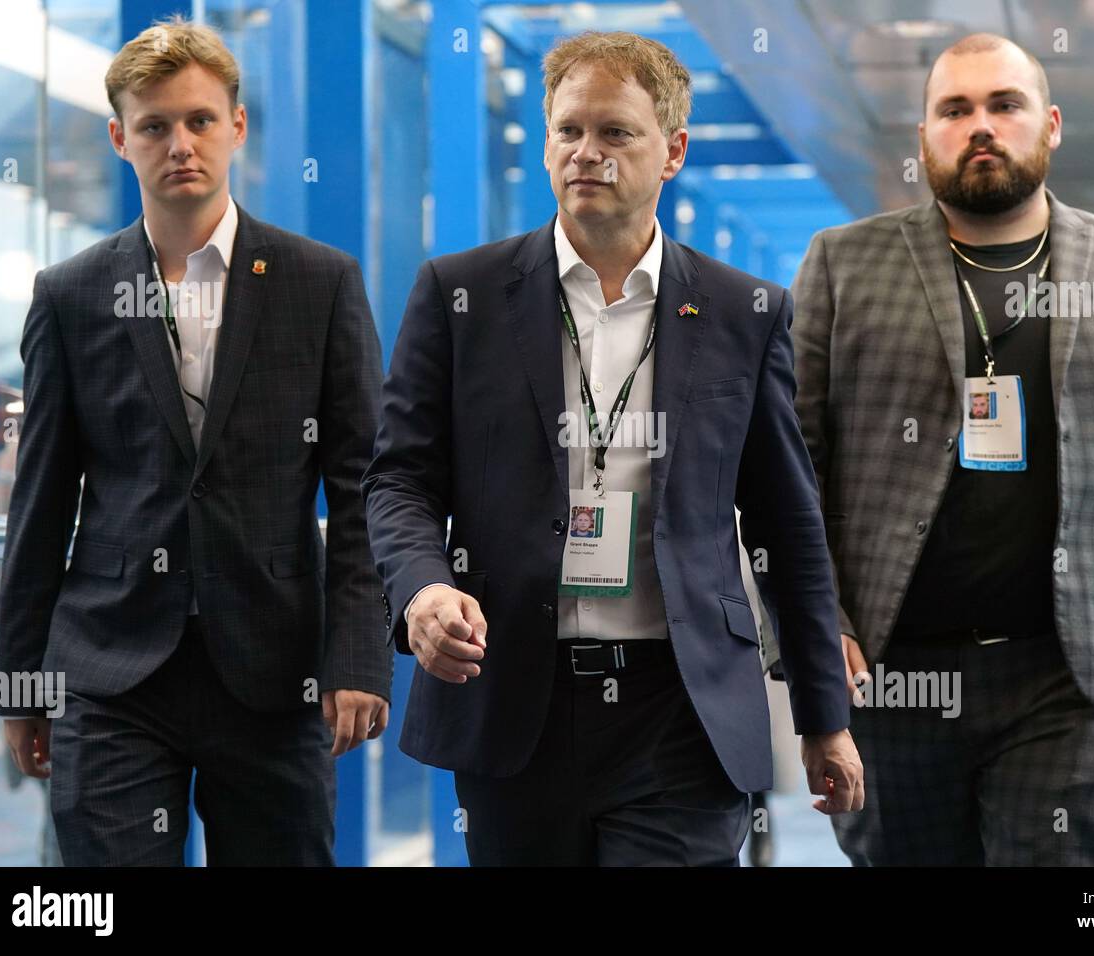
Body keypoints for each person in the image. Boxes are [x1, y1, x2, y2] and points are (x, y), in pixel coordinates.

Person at [363, 30, 862, 866]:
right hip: (515, 693)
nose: (585, 153)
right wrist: (421, 591)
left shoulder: (746, 313)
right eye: (568, 131)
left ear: (672, 152)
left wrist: (824, 716)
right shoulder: (462, 297)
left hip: (681, 706)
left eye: (615, 133)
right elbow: (400, 479)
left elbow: (786, 522)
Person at [792, 32, 1094, 865]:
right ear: (924, 135)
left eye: (1005, 104)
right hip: (890, 676)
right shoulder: (841, 266)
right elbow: (792, 470)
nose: (981, 126)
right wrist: (817, 630)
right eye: (955, 109)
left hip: (1071, 673)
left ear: (1053, 124)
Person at [0, 16, 392, 866]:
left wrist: (358, 654)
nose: (182, 143)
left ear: (237, 128)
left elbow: (361, 489)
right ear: (119, 139)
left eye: (201, 120)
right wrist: (19, 680)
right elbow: (41, 498)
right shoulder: (69, 294)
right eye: (155, 125)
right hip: (110, 670)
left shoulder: (320, 283)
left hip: (276, 670)